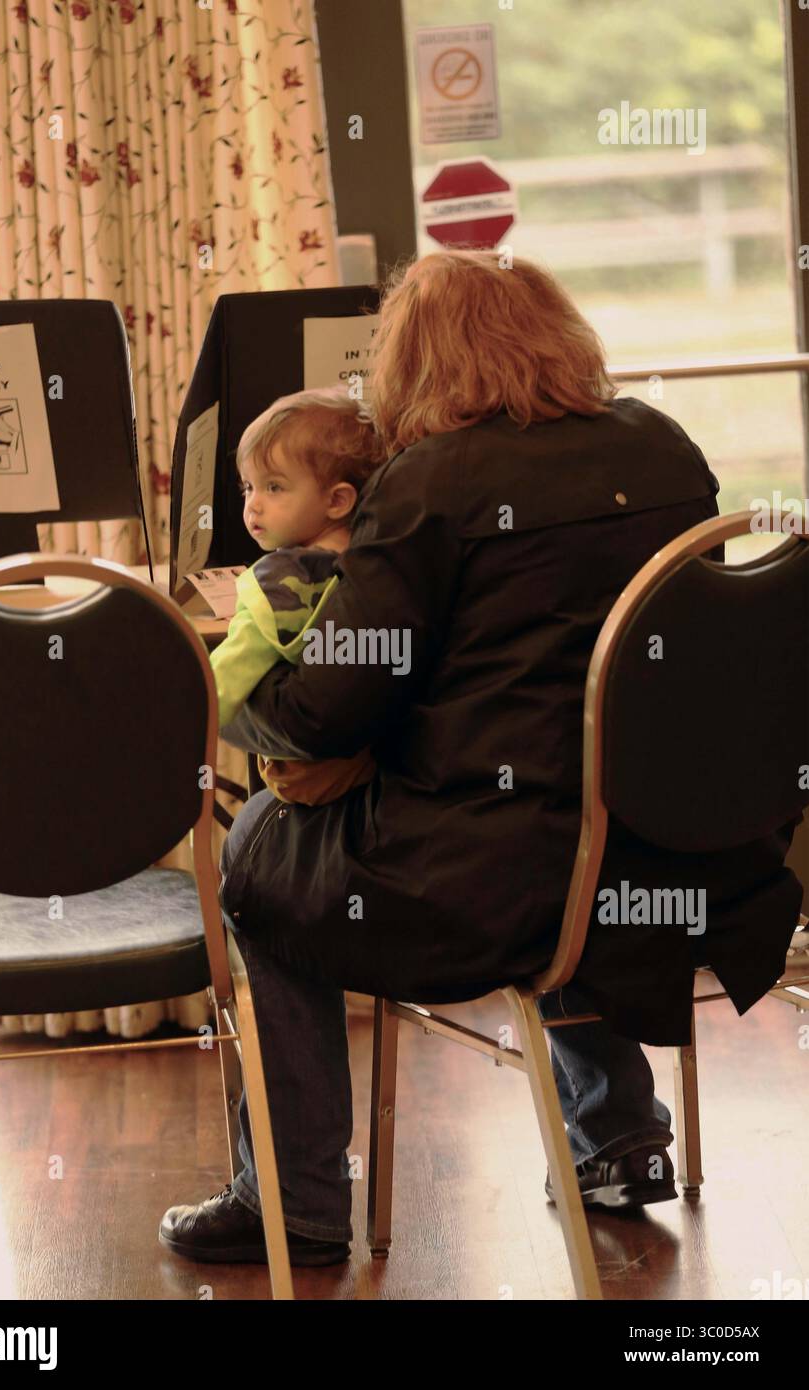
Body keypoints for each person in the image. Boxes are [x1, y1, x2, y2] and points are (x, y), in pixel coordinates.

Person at [159, 251, 802, 1267]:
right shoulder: (665, 446)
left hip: (486, 884)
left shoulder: (429, 486)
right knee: (558, 795)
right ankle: (618, 1135)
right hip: (670, 849)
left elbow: (327, 712)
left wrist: (227, 694)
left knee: (262, 852)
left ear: (414, 361)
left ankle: (298, 1202)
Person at [210, 387, 383, 805]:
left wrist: (180, 712)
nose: (253, 506)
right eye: (248, 487)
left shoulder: (279, 579)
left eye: (274, 487)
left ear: (338, 500)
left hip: (303, 777)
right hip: (367, 770)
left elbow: (229, 674)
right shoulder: (374, 562)